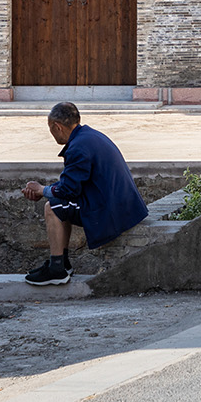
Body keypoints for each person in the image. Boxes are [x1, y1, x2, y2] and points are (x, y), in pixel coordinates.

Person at [19, 101, 148, 286]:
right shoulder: (88, 136)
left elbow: (68, 190)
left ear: (57, 126)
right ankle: (62, 264)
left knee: (53, 207)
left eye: (50, 129)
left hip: (112, 211)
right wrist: (46, 190)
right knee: (60, 203)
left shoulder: (78, 147)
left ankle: (57, 268)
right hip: (121, 204)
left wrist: (42, 190)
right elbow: (72, 184)